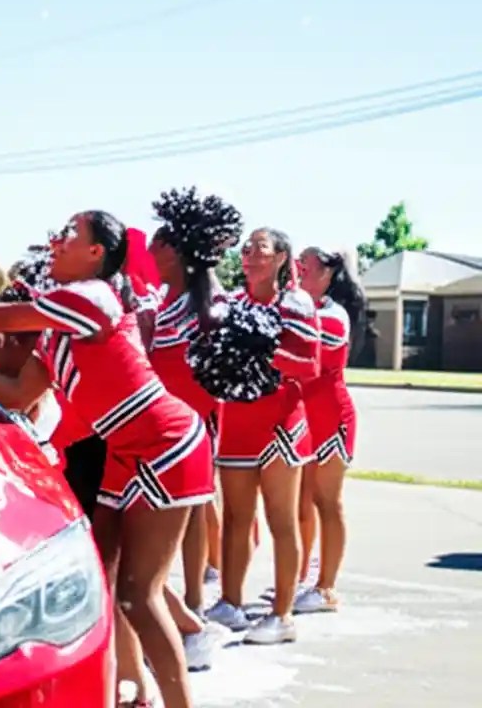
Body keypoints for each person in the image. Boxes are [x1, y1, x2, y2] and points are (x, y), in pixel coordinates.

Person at [0, 210, 212, 708]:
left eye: (70, 234)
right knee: (102, 582)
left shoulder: (94, 297)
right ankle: (127, 693)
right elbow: (15, 394)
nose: (56, 241)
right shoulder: (57, 333)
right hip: (126, 452)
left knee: (139, 595)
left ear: (96, 253)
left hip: (166, 446)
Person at [205, 228, 320, 645]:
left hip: (280, 423)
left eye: (261, 248)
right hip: (237, 421)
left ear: (281, 258)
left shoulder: (295, 303)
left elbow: (310, 365)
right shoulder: (231, 304)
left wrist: (262, 351)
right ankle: (230, 602)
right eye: (246, 248)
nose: (250, 254)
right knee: (236, 518)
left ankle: (282, 614)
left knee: (280, 519)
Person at [145, 187, 242, 643]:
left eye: (158, 244)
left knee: (193, 511)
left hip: (191, 426)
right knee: (171, 515)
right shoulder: (161, 301)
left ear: (177, 252)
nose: (150, 251)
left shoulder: (211, 306)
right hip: (155, 424)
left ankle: (195, 606)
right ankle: (177, 606)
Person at [294, 246, 364, 613]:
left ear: (327, 274)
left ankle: (326, 587)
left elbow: (306, 357)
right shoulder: (302, 308)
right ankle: (300, 577)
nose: (299, 268)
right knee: (301, 503)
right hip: (304, 418)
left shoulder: (333, 316)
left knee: (327, 501)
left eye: (306, 264)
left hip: (332, 417)